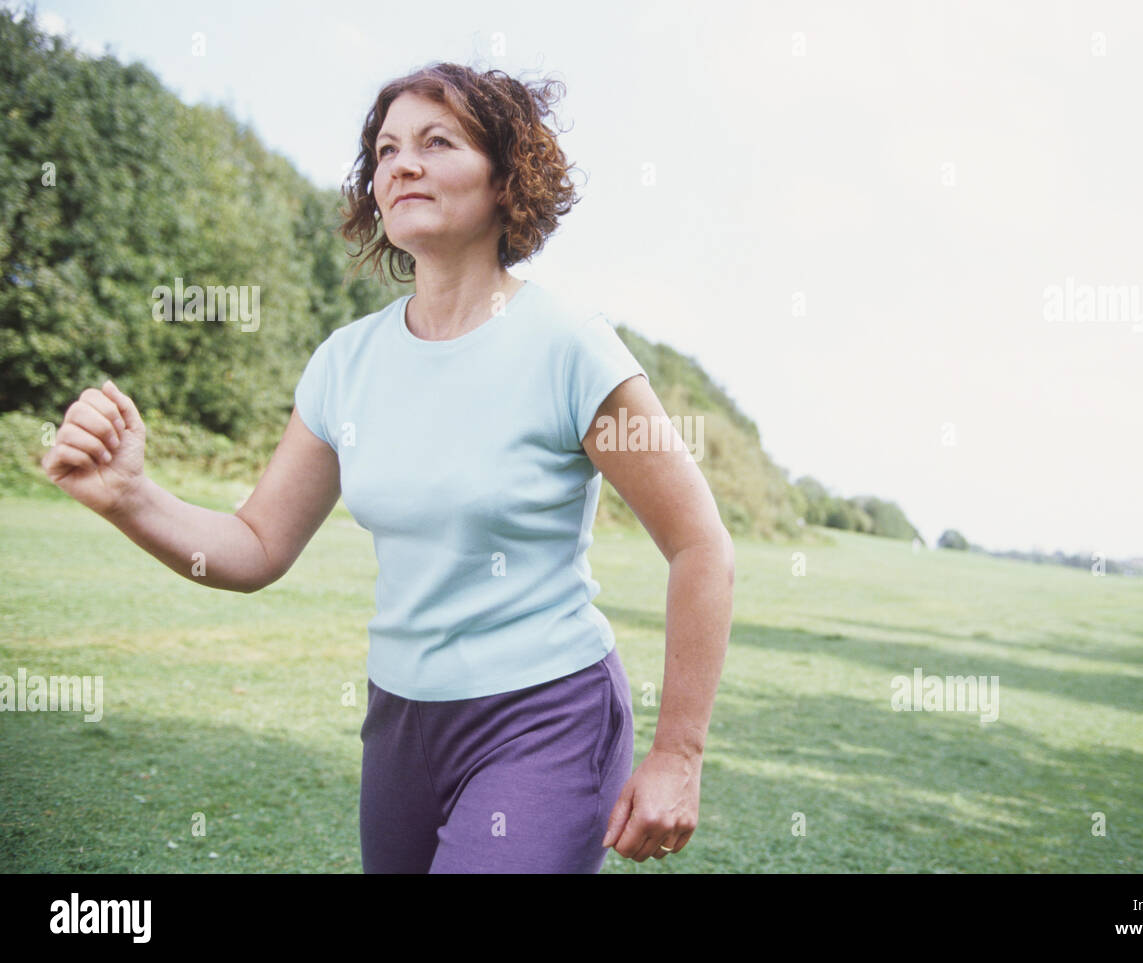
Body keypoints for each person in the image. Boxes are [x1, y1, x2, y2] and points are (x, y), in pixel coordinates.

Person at [40, 62, 734, 873]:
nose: (400, 163)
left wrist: (678, 754)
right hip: (400, 726)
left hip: (545, 717)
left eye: (437, 142)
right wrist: (128, 495)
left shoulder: (570, 346)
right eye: (386, 149)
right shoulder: (346, 363)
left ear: (507, 174)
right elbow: (256, 543)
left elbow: (700, 545)